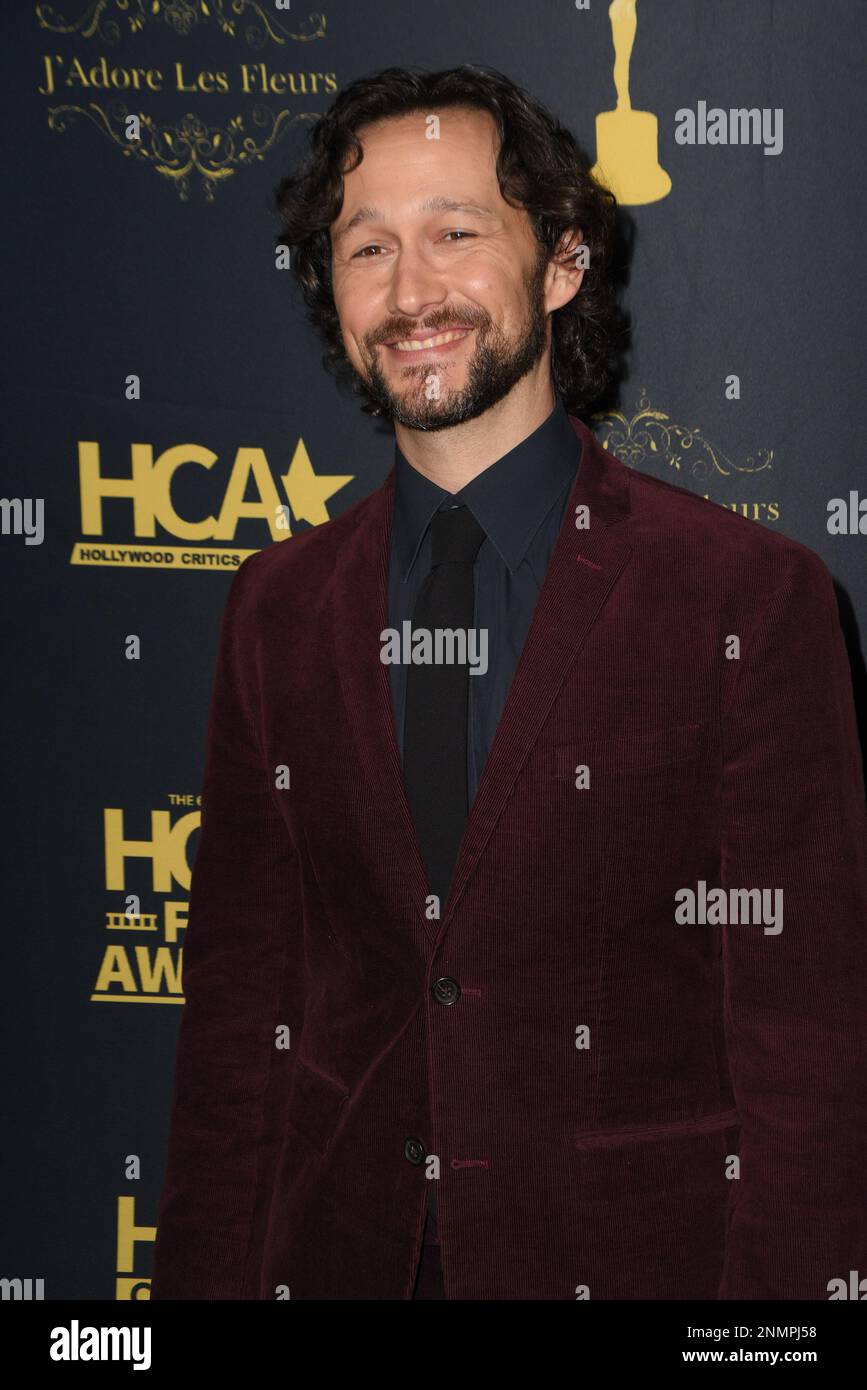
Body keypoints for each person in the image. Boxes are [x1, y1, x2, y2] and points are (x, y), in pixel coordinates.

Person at [150, 65, 867, 1300]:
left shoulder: (746, 600)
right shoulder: (276, 608)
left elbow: (807, 1052)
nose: (412, 289)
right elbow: (240, 1025)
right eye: (367, 246)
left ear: (563, 264)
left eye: (456, 233)